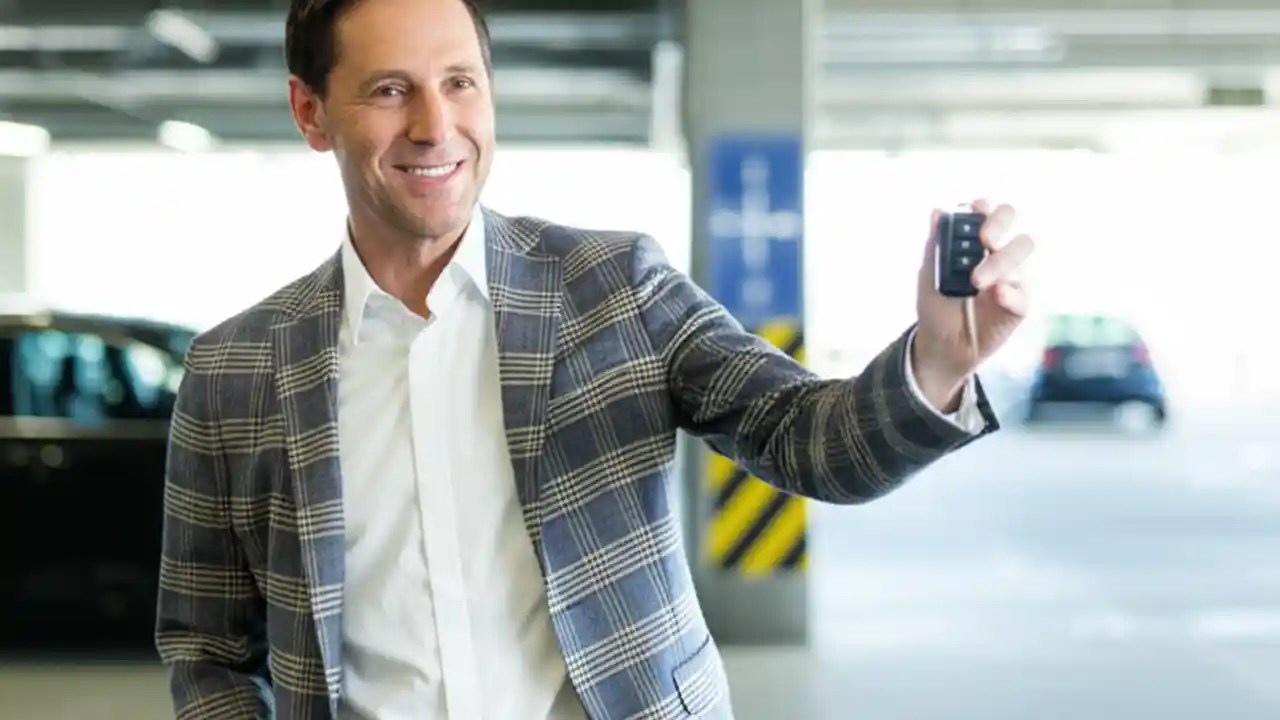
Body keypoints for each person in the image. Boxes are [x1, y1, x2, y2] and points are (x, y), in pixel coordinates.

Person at [153, 0, 1035, 717]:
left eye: (460, 83)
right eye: (389, 90)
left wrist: (936, 361)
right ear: (310, 111)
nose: (435, 124)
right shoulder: (233, 373)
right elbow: (206, 649)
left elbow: (809, 439)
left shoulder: (617, 288)